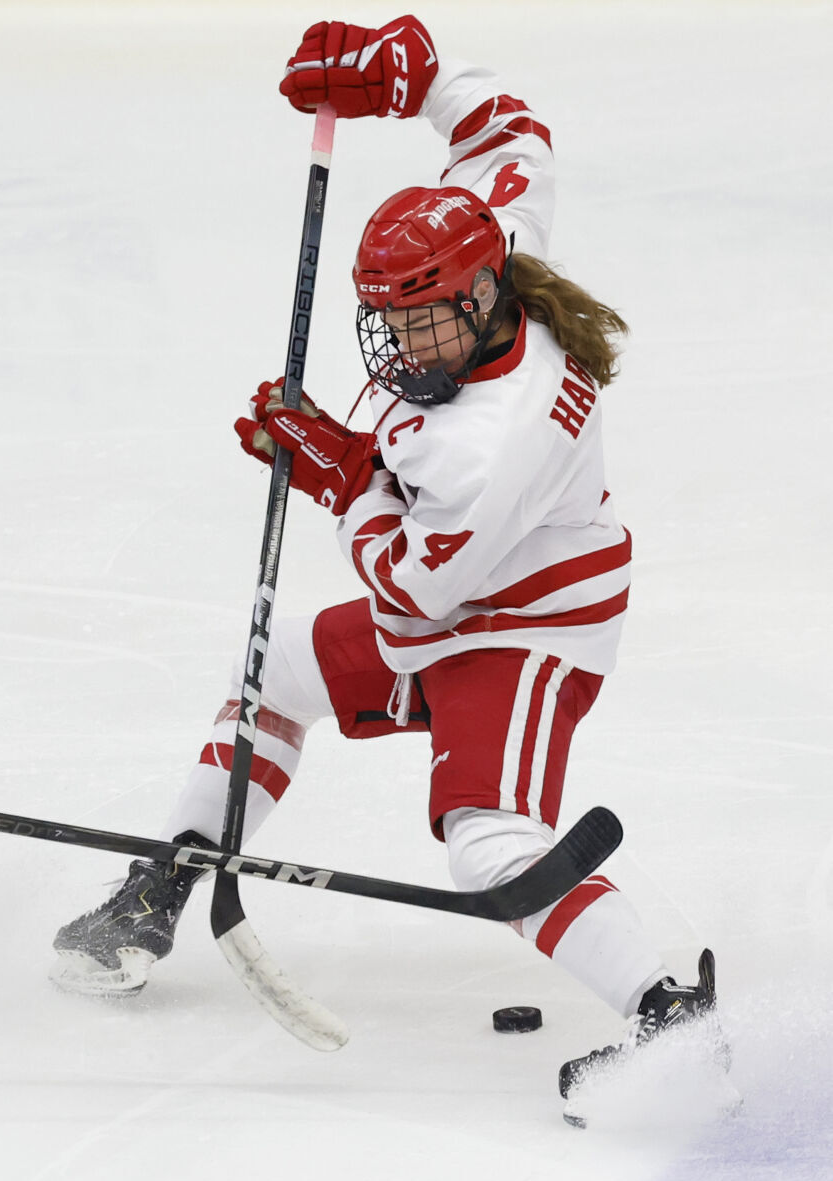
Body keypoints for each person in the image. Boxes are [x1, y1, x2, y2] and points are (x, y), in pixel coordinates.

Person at [49, 16, 722, 1110]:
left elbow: (412, 587)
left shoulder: (490, 442)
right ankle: (164, 879)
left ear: (475, 300)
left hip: (528, 628)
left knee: (487, 840)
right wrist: (414, 71)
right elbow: (512, 129)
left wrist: (340, 473)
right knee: (271, 682)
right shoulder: (499, 240)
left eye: (419, 326)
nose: (398, 347)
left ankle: (669, 1016)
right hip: (461, 597)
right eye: (387, 321)